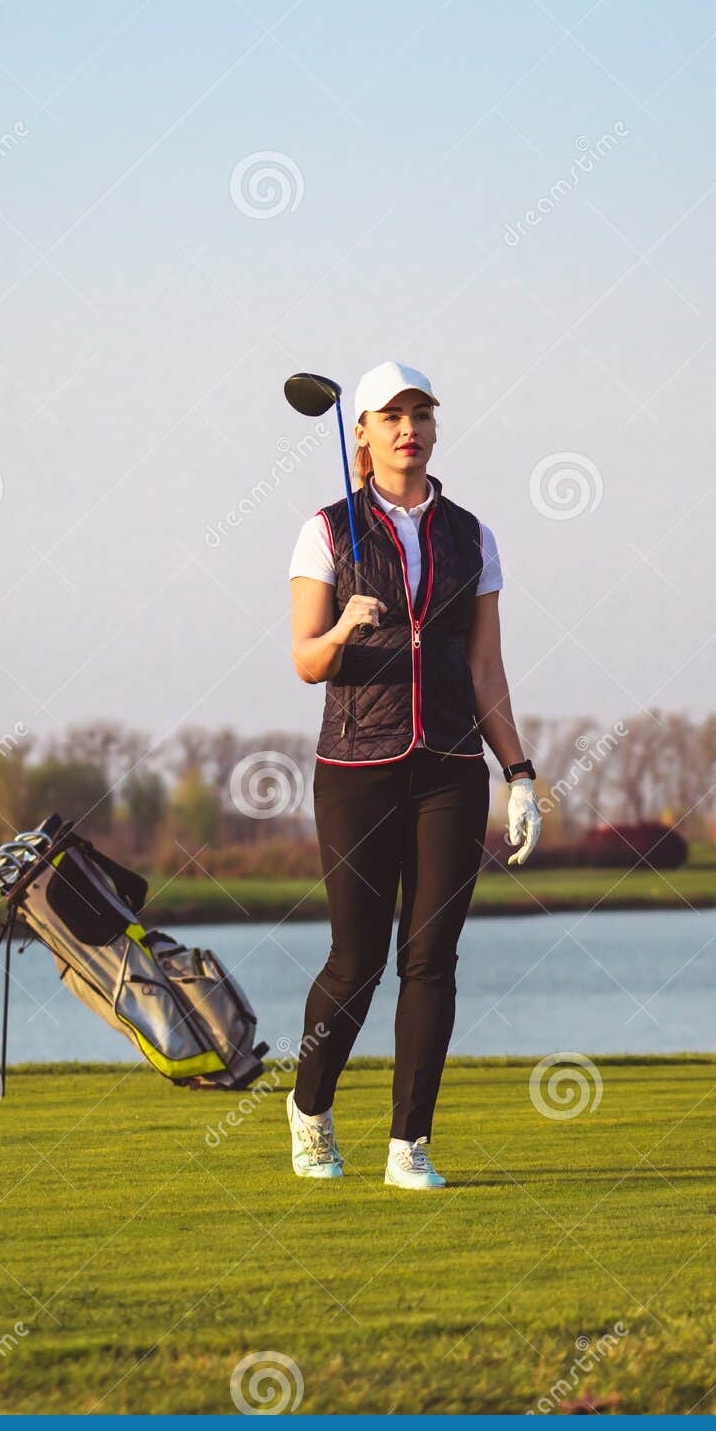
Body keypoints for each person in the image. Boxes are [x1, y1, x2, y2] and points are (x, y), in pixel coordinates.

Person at [286, 361, 541, 1190]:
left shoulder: (471, 535)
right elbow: (305, 662)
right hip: (356, 766)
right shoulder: (327, 529)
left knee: (431, 959)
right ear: (360, 432)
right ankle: (310, 1110)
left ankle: (409, 1146)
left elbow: (485, 666)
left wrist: (519, 771)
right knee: (355, 959)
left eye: (421, 413)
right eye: (391, 416)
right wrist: (343, 631)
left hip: (450, 767)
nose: (409, 428)